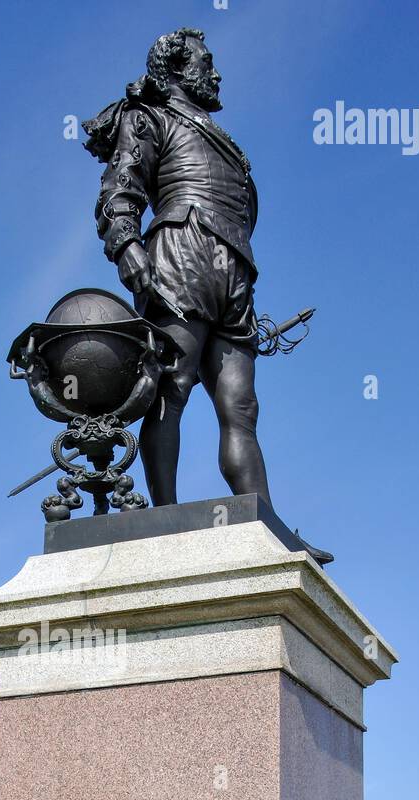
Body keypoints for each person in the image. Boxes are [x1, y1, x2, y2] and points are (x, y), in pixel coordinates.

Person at [83, 28, 332, 564]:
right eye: (206, 62)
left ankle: (265, 523)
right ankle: (164, 511)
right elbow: (119, 186)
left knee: (241, 406)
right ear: (175, 68)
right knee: (172, 383)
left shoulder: (218, 136)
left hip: (234, 268)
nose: (215, 73)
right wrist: (126, 242)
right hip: (181, 251)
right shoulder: (149, 116)